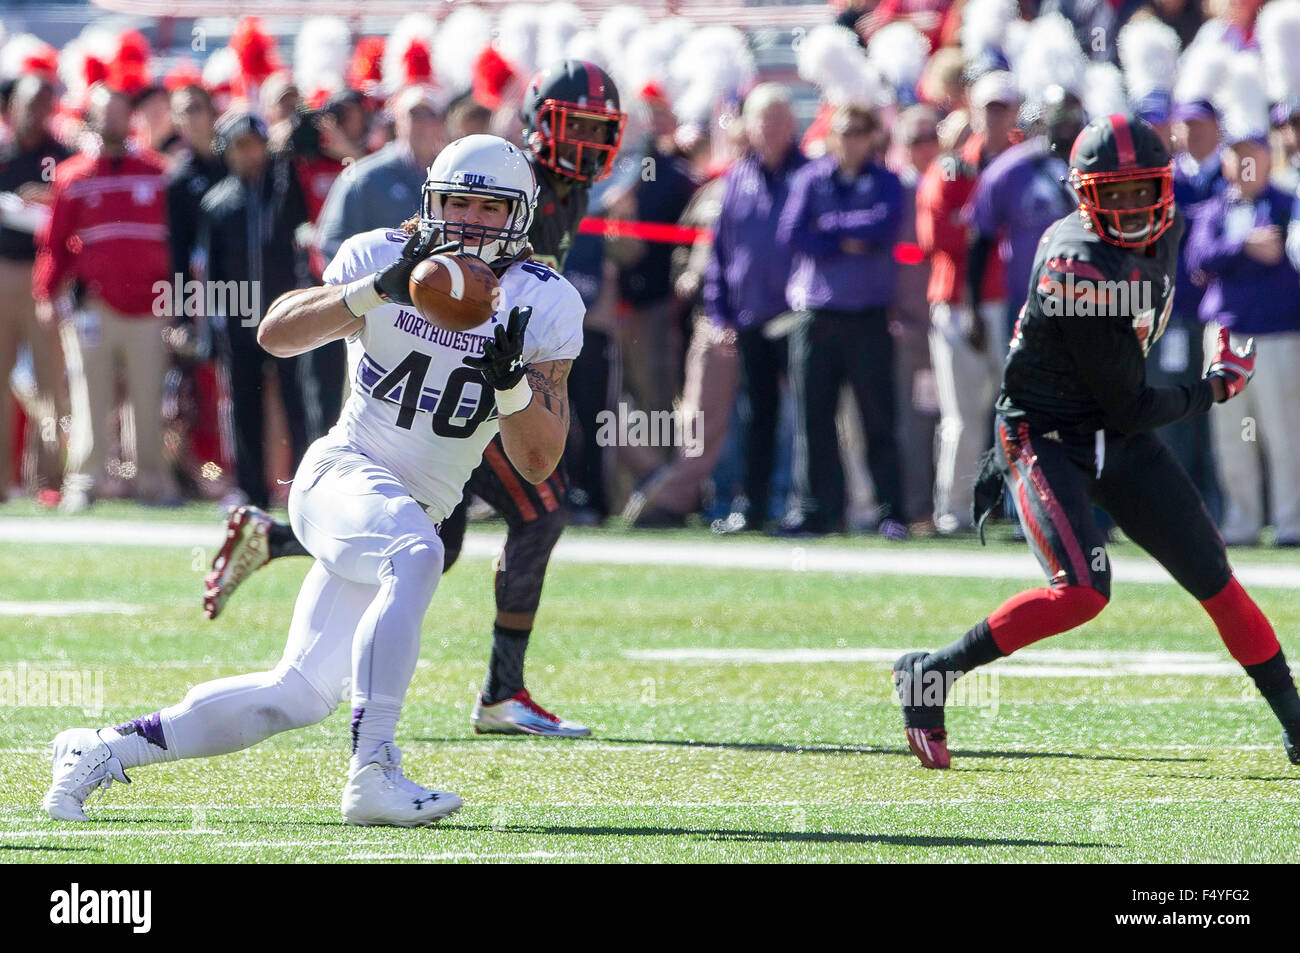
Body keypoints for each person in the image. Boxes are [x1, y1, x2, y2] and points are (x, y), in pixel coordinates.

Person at [43, 134, 584, 826]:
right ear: (432, 203)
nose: (472, 219)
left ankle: (98, 749)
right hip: (342, 475)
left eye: (490, 205)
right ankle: (374, 771)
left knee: (295, 694)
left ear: (522, 214)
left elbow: (538, 460)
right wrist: (373, 292)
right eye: (458, 201)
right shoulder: (384, 255)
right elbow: (275, 333)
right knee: (417, 552)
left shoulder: (546, 301)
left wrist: (510, 381)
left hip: (409, 504)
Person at [204, 62, 626, 738]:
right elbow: (290, 326)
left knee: (437, 541)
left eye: (598, 130)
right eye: (574, 127)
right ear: (539, 122)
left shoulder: (564, 197)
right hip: (451, 398)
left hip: (484, 388)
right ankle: (499, 693)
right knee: (518, 519)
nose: (585, 143)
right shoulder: (510, 185)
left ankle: (276, 539)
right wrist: (387, 292)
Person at [891, 114, 1300, 770]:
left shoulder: (1166, 230)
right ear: (1086, 195)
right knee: (1081, 589)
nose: (1135, 208)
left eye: (1143, 191)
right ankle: (931, 672)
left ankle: (1296, 723)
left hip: (1115, 431)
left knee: (1216, 579)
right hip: (1047, 433)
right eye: (1117, 195)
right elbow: (1130, 402)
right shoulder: (1075, 262)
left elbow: (1192, 279)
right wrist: (1213, 388)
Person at [35, 84, 176, 512]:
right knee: (88, 395)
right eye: (105, 111)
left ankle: (153, 481)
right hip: (93, 304)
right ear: (91, 117)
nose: (113, 118)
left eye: (120, 110)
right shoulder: (73, 176)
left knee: (149, 395)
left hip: (150, 305)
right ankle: (85, 481)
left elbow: (176, 240)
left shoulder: (157, 171)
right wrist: (46, 293)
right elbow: (55, 243)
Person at [779, 103, 907, 538]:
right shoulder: (811, 179)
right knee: (814, 417)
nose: (849, 140)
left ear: (872, 136)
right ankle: (818, 510)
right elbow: (793, 232)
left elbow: (883, 227)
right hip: (817, 313)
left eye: (857, 131)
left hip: (867, 315)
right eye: (842, 132)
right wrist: (845, 235)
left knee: (878, 417)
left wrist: (828, 228)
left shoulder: (887, 182)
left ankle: (891, 511)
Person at [196, 112, 314, 510]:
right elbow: (210, 273)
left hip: (286, 315)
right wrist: (211, 331)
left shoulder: (282, 190)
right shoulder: (218, 203)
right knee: (245, 407)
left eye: (255, 144)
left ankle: (305, 487)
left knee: (299, 403)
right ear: (227, 151)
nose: (249, 154)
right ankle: (251, 492)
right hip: (239, 318)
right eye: (240, 145)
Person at [0, 74, 70, 502]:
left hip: (43, 272)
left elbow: (74, 211)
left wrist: (47, 201)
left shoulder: (61, 156)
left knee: (49, 382)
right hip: (2, 267)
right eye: (29, 103)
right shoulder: (4, 153)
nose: (36, 111)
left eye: (44, 102)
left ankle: (47, 480)